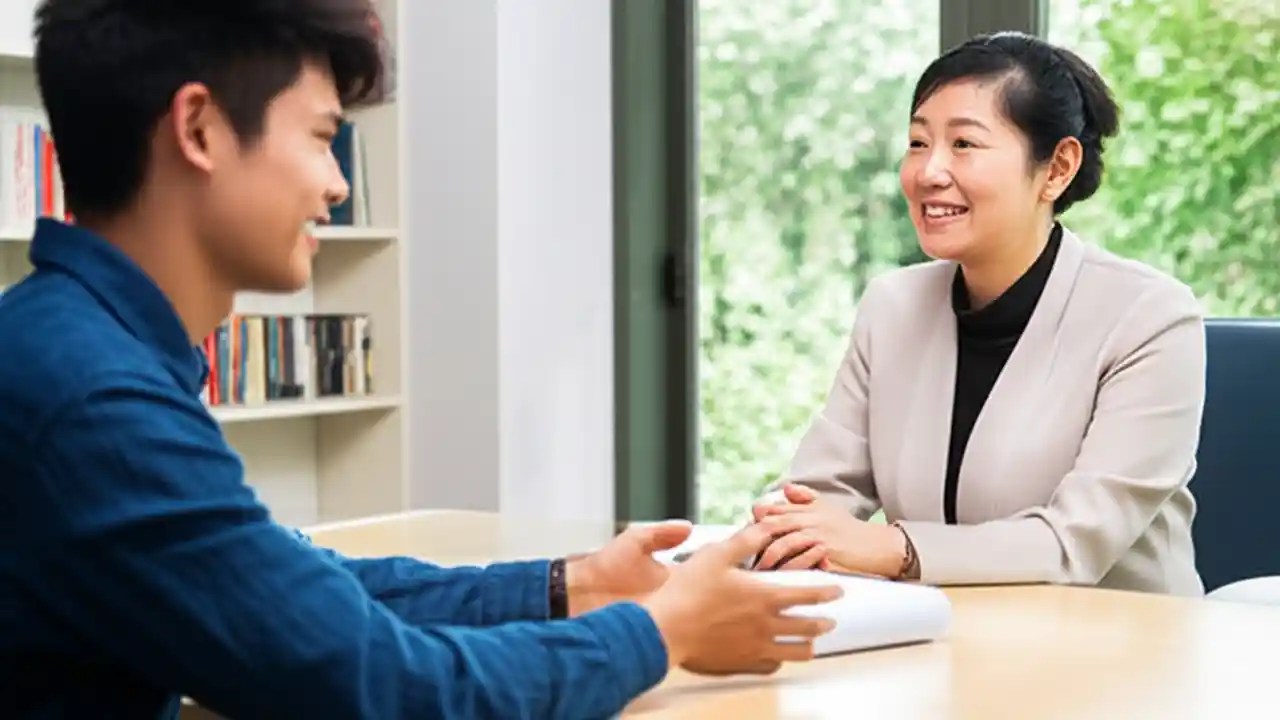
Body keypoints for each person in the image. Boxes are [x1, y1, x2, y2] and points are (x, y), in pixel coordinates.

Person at [0, 2, 841, 718]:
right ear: (199, 128)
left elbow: (295, 591)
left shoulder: (71, 347)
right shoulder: (90, 398)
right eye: (324, 137)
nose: (335, 184)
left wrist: (568, 588)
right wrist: (664, 634)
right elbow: (389, 690)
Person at [749, 31, 1206, 597]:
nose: (929, 171)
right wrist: (764, 537)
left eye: (964, 144)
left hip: (1120, 655)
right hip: (938, 643)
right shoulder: (892, 307)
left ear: (1058, 167)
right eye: (918, 143)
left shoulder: (1149, 316)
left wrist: (892, 548)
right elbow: (817, 491)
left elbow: (1073, 544)